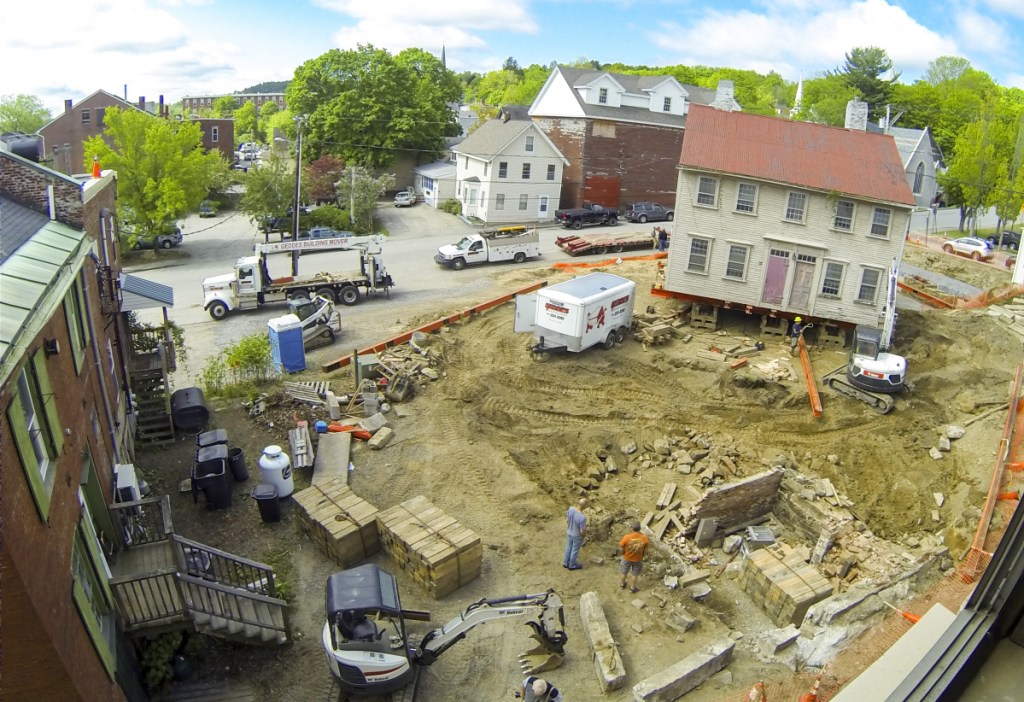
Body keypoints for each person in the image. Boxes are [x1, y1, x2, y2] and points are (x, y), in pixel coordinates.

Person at [618, 521, 650, 593]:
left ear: (632, 528)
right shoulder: (645, 538)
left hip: (626, 558)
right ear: (640, 529)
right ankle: (632, 588)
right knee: (635, 574)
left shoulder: (626, 537)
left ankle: (622, 584)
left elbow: (621, 547)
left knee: (624, 572)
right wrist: (642, 556)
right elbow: (645, 551)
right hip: (638, 559)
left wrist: (622, 553)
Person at [563, 497, 587, 570]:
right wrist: (584, 535)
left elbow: (568, 520)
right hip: (577, 536)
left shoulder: (571, 509)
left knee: (568, 547)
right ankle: (572, 565)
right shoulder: (582, 517)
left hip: (569, 532)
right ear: (584, 506)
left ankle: (565, 562)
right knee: (574, 550)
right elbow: (582, 531)